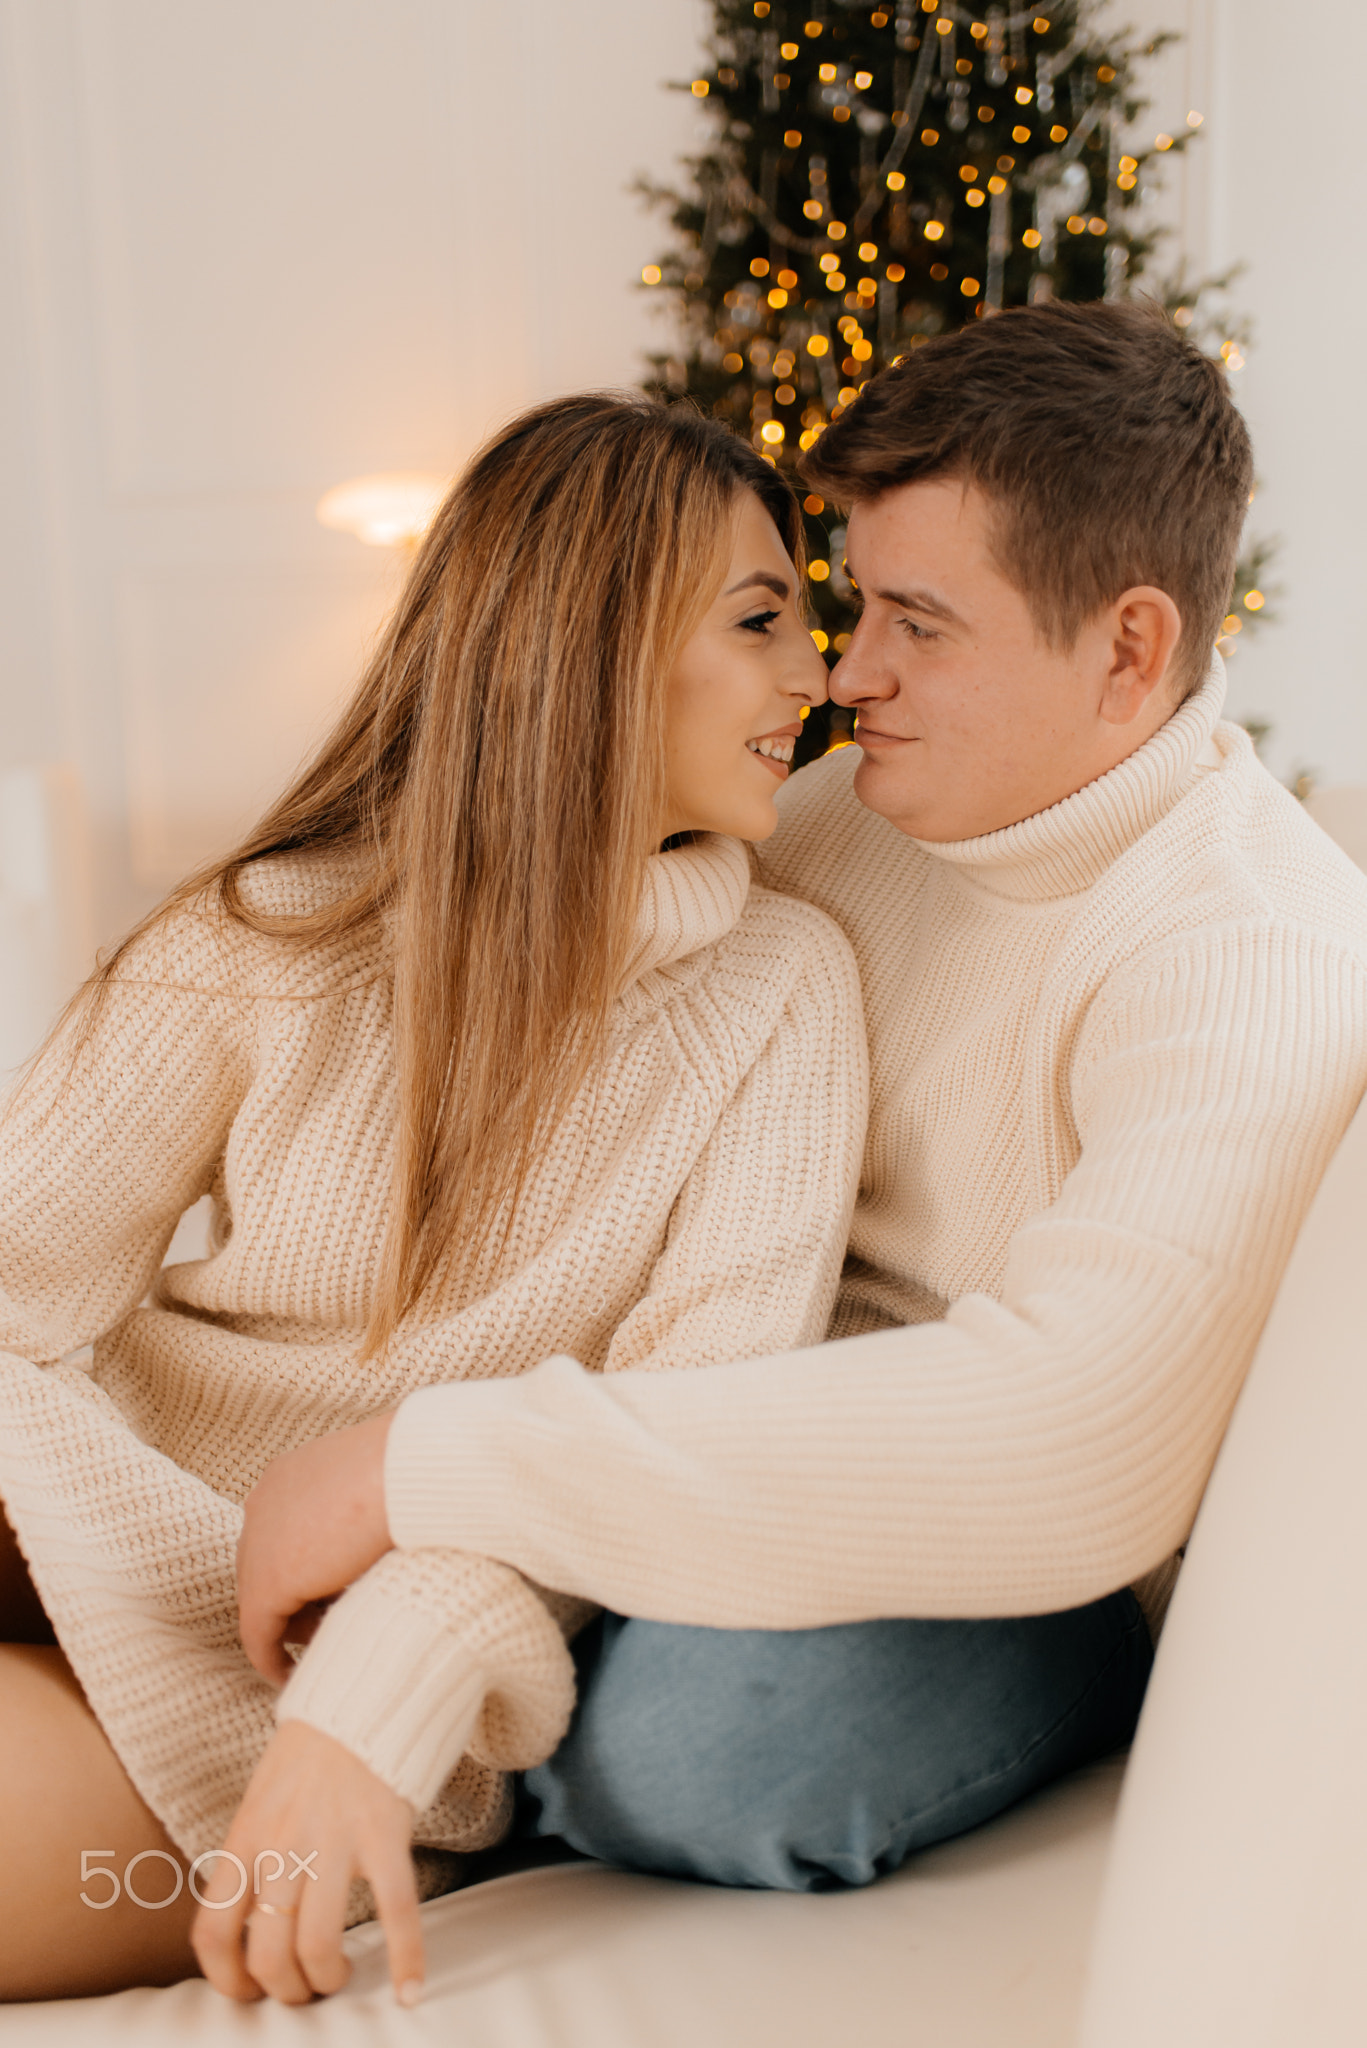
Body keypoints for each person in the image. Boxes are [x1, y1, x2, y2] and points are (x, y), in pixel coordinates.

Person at [238, 298, 1367, 1980]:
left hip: (1020, 1536)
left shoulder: (1252, 950)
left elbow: (1073, 1443)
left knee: (709, 1745)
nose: (848, 673)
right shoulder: (832, 822)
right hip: (704, 1364)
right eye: (854, 602)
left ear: (1129, 652)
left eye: (920, 622)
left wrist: (419, 1465)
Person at [0, 394, 868, 2003]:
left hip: (304, 1674)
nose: (814, 675)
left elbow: (662, 1455)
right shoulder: (268, 937)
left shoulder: (782, 991)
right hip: (74, 1507)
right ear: (593, 643)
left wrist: (381, 1701)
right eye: (762, 621)